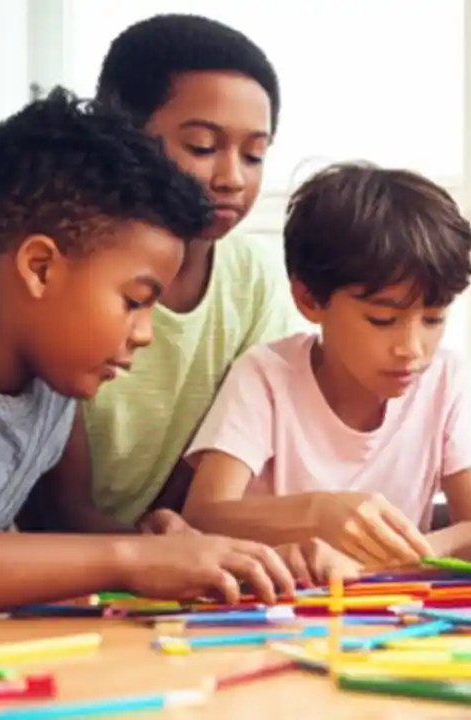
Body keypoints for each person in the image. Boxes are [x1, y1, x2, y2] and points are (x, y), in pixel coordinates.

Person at [0, 89, 294, 615]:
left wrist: (162, 548)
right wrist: (126, 557)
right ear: (40, 267)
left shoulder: (51, 384)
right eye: (135, 301)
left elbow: (63, 520)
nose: (145, 333)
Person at [181, 163, 471, 584]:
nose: (411, 348)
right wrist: (318, 514)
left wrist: (401, 557)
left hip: (389, 617)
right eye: (382, 320)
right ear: (309, 299)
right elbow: (203, 515)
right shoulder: (267, 377)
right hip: (276, 609)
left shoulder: (446, 377)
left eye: (434, 319)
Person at [72, 14, 304, 530]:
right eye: (202, 147)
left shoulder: (253, 280)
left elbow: (225, 459)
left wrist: (172, 538)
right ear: (123, 135)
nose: (231, 178)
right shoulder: (75, 266)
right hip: (55, 552)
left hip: (179, 548)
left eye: (254, 155)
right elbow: (56, 506)